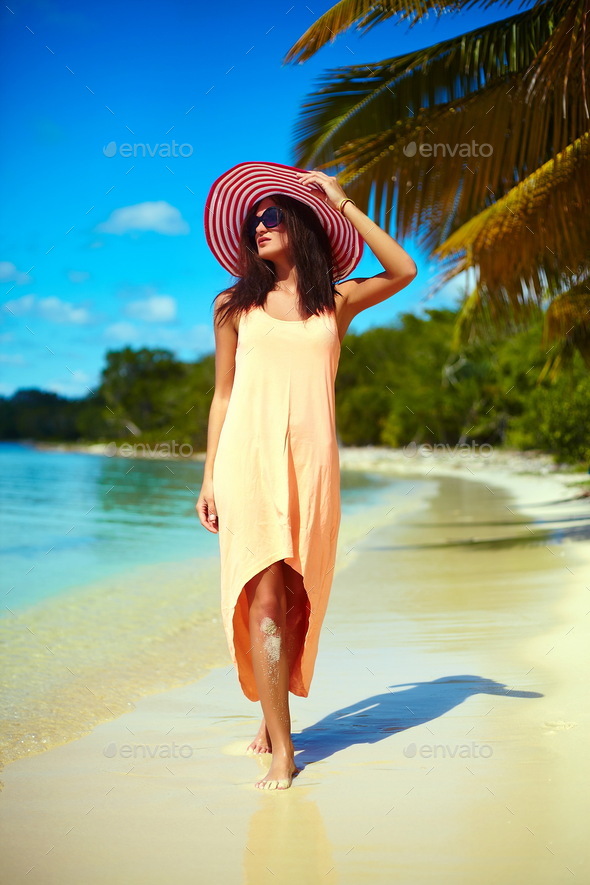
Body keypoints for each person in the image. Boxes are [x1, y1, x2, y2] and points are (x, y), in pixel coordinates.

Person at [197, 161, 417, 790]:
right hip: (247, 463)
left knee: (296, 599)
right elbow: (222, 396)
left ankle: (271, 719)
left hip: (314, 467)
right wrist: (208, 477)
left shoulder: (336, 302)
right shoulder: (232, 306)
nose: (258, 226)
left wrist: (342, 202)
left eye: (270, 215)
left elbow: (404, 269)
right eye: (252, 219)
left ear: (299, 222)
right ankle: (284, 748)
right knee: (262, 594)